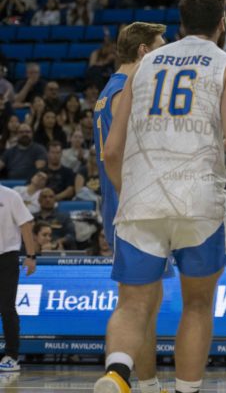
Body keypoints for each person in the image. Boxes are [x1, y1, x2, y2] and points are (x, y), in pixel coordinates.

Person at [95, 0, 226, 393]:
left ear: (181, 24)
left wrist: (126, 193)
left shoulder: (142, 66)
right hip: (199, 201)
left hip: (140, 199)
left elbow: (111, 150)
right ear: (223, 22)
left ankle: (117, 373)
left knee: (133, 305)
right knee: (198, 304)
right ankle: (187, 390)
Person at [93, 21, 168, 393]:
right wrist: (132, 198)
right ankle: (117, 377)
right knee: (135, 303)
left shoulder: (110, 89)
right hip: (132, 209)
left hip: (128, 207)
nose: (164, 51)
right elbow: (113, 155)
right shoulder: (127, 91)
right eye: (160, 45)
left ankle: (148, 383)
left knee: (147, 304)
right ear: (143, 52)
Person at [0, 185, 37, 373]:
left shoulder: (10, 195)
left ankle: (12, 356)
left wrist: (31, 256)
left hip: (6, 256)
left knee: (6, 307)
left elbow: (25, 225)